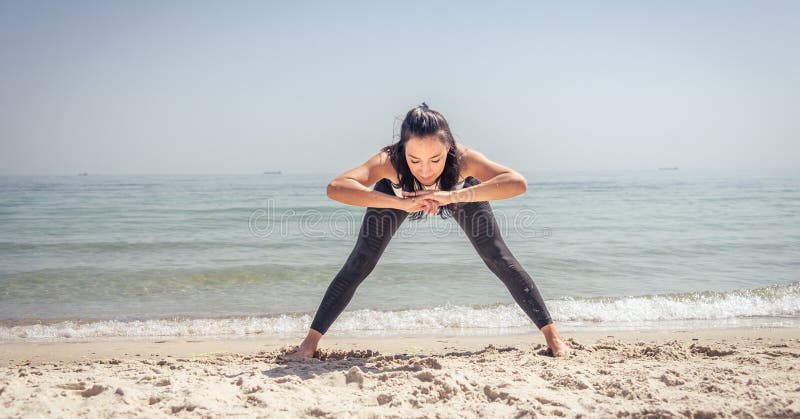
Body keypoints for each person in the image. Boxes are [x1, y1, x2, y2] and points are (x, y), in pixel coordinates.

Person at [285, 103, 571, 359]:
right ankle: (309, 344)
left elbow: (517, 183)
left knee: (497, 256)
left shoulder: (465, 159)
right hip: (396, 196)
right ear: (402, 151)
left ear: (449, 148)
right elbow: (337, 188)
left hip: (459, 193)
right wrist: (398, 203)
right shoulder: (388, 161)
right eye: (414, 160)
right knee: (361, 261)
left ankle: (552, 337)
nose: (425, 171)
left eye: (435, 160)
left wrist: (451, 197)